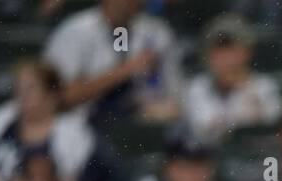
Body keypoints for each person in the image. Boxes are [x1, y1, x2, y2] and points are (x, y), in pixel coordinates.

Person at [43, 0, 183, 123]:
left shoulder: (157, 32)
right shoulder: (75, 31)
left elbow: (176, 95)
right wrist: (123, 72)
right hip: (84, 125)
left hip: (139, 123)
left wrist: (165, 107)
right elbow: (59, 98)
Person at [182, 13, 282, 144]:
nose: (225, 58)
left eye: (231, 48)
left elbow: (270, 127)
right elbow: (202, 133)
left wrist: (246, 90)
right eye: (218, 49)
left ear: (247, 52)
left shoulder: (265, 86)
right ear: (206, 55)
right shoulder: (196, 88)